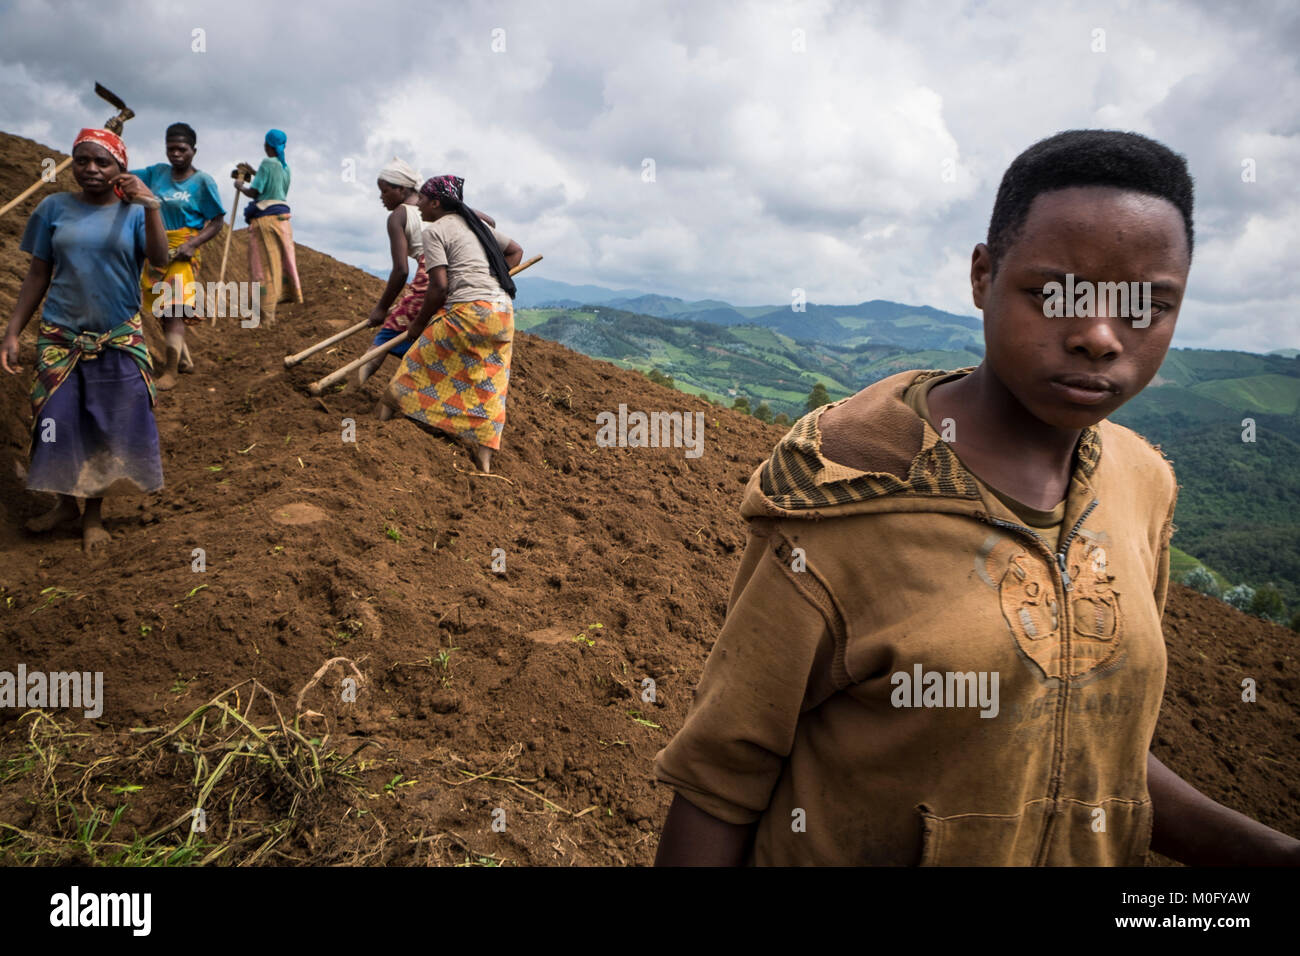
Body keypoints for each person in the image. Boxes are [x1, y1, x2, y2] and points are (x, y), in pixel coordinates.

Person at [653, 130, 1300, 866]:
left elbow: (1097, 746)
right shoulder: (842, 501)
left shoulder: (1144, 485)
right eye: (1053, 293)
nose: (1098, 335)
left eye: (1146, 305)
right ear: (982, 276)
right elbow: (717, 785)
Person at [2, 128, 168, 554]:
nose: (91, 169)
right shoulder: (53, 207)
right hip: (61, 336)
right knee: (57, 423)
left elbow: (161, 260)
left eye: (102, 162)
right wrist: (13, 330)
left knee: (107, 426)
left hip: (116, 338)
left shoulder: (134, 212)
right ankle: (65, 506)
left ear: (121, 169)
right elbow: (38, 273)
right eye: (82, 161)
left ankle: (93, 516)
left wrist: (149, 203)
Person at [379, 175, 522, 474]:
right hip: (502, 314)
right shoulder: (477, 225)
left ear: (435, 203)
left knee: (413, 365)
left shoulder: (436, 232)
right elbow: (515, 252)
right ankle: (484, 461)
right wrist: (494, 279)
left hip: (468, 313)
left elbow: (439, 288)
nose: (417, 205)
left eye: (423, 199)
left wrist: (418, 325)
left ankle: (379, 425)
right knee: (490, 385)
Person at [358, 158, 496, 385]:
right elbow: (489, 222)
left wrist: (381, 309)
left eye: (384, 191)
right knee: (428, 339)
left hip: (431, 275)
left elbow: (401, 271)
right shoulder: (444, 208)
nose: (381, 197)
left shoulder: (399, 215)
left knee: (385, 337)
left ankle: (351, 389)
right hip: (462, 279)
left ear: (400, 189)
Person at [131, 122, 226, 389]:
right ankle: (183, 360)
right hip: (156, 247)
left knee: (172, 307)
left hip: (183, 250)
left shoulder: (202, 182)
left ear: (193, 150)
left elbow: (217, 220)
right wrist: (114, 138)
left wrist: (194, 244)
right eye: (170, 148)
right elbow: (122, 174)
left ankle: (170, 371)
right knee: (163, 308)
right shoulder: (156, 174)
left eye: (182, 149)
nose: (176, 154)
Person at [234, 128, 302, 326]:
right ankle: (268, 313)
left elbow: (256, 192)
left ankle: (266, 318)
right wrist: (255, 172)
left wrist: (240, 186)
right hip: (283, 221)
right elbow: (274, 186)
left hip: (266, 221)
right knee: (278, 266)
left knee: (263, 268)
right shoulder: (285, 167)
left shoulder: (267, 163)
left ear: (266, 145)